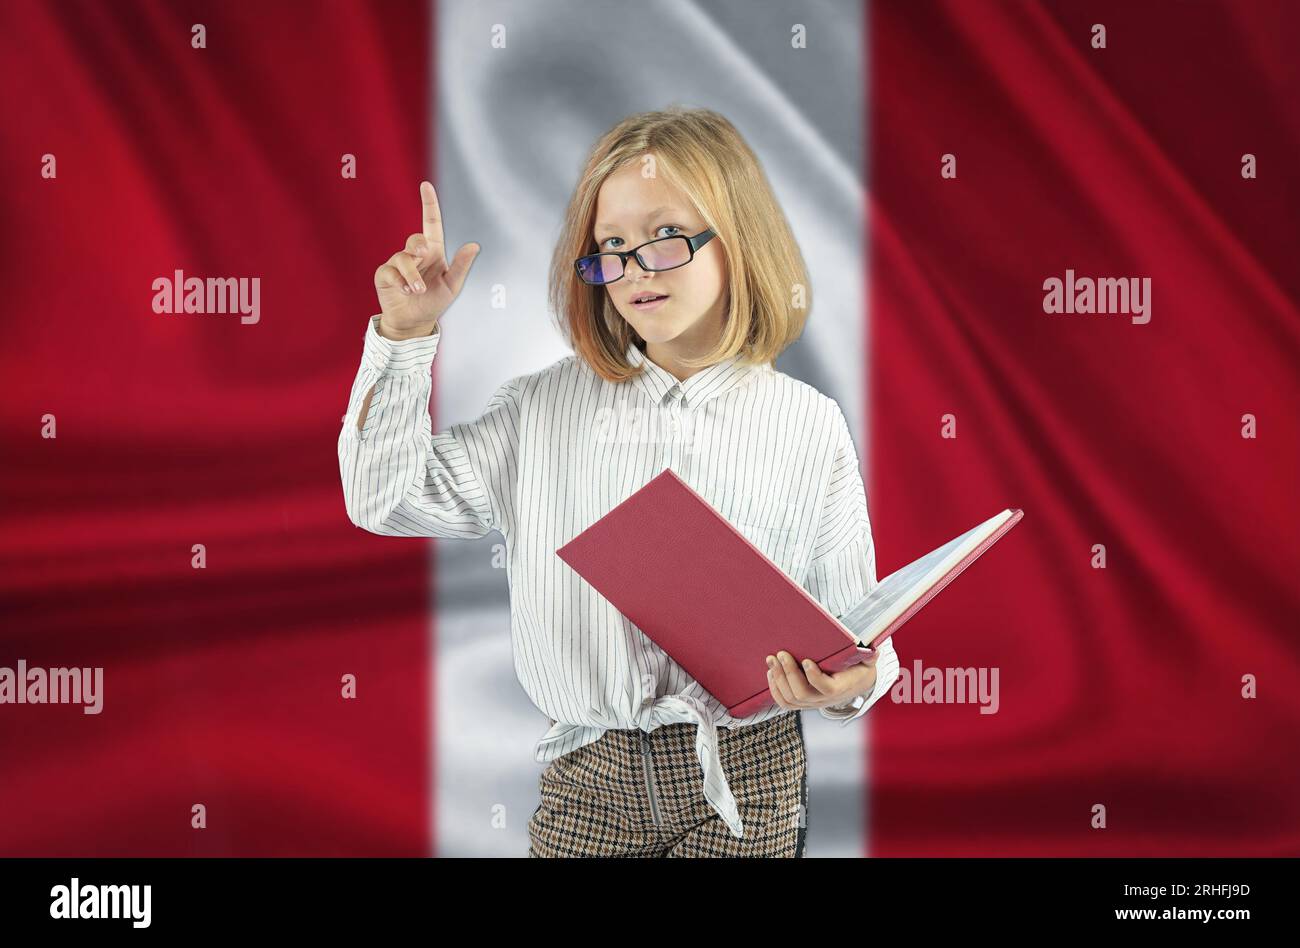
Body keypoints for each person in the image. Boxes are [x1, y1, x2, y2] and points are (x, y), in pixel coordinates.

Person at [338, 105, 900, 857]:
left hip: (748, 777)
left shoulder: (809, 424)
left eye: (666, 238)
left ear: (738, 240)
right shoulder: (538, 410)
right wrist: (405, 338)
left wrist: (852, 680)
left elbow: (851, 617)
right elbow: (386, 499)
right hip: (588, 775)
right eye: (612, 246)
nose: (634, 269)